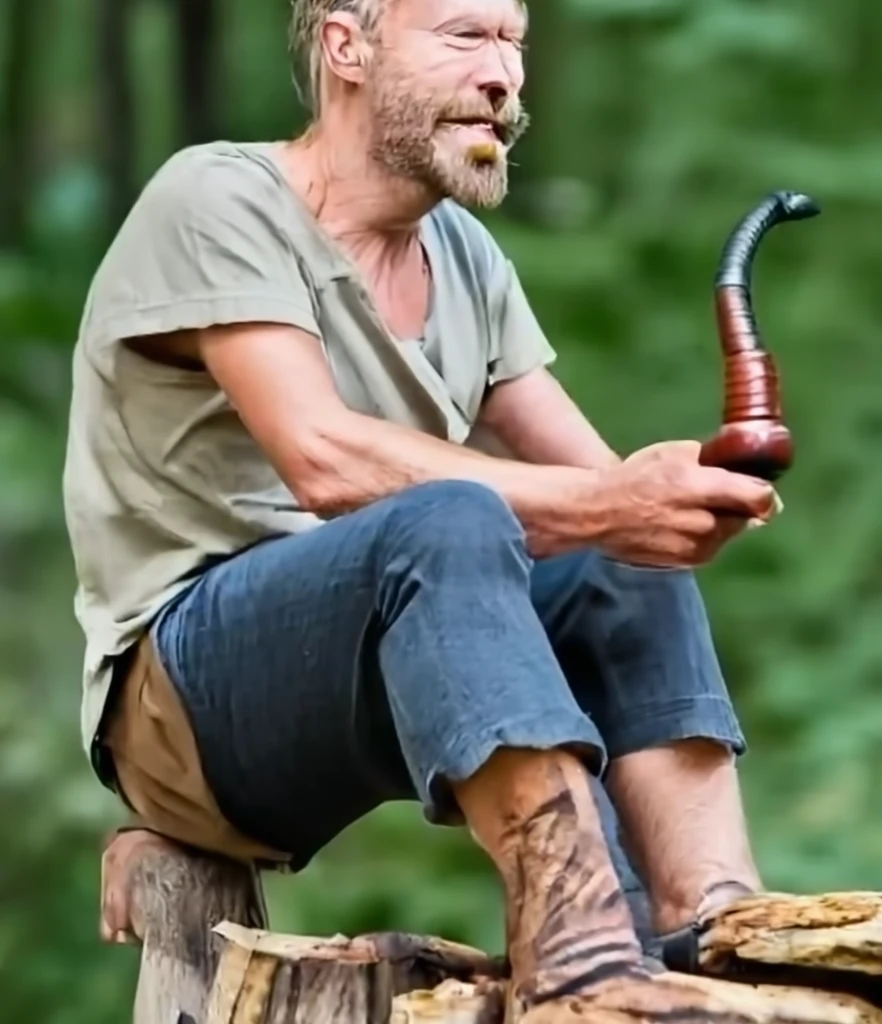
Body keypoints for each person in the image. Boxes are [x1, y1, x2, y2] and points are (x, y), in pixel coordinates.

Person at [63, 0, 781, 1015]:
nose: (504, 76)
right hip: (180, 703)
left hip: (363, 665)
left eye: (514, 43)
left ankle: (720, 928)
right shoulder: (215, 197)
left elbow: (599, 492)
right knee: (450, 516)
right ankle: (579, 955)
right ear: (345, 46)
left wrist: (676, 498)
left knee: (624, 562)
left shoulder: (465, 255)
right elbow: (321, 455)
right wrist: (606, 500)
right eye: (464, 36)